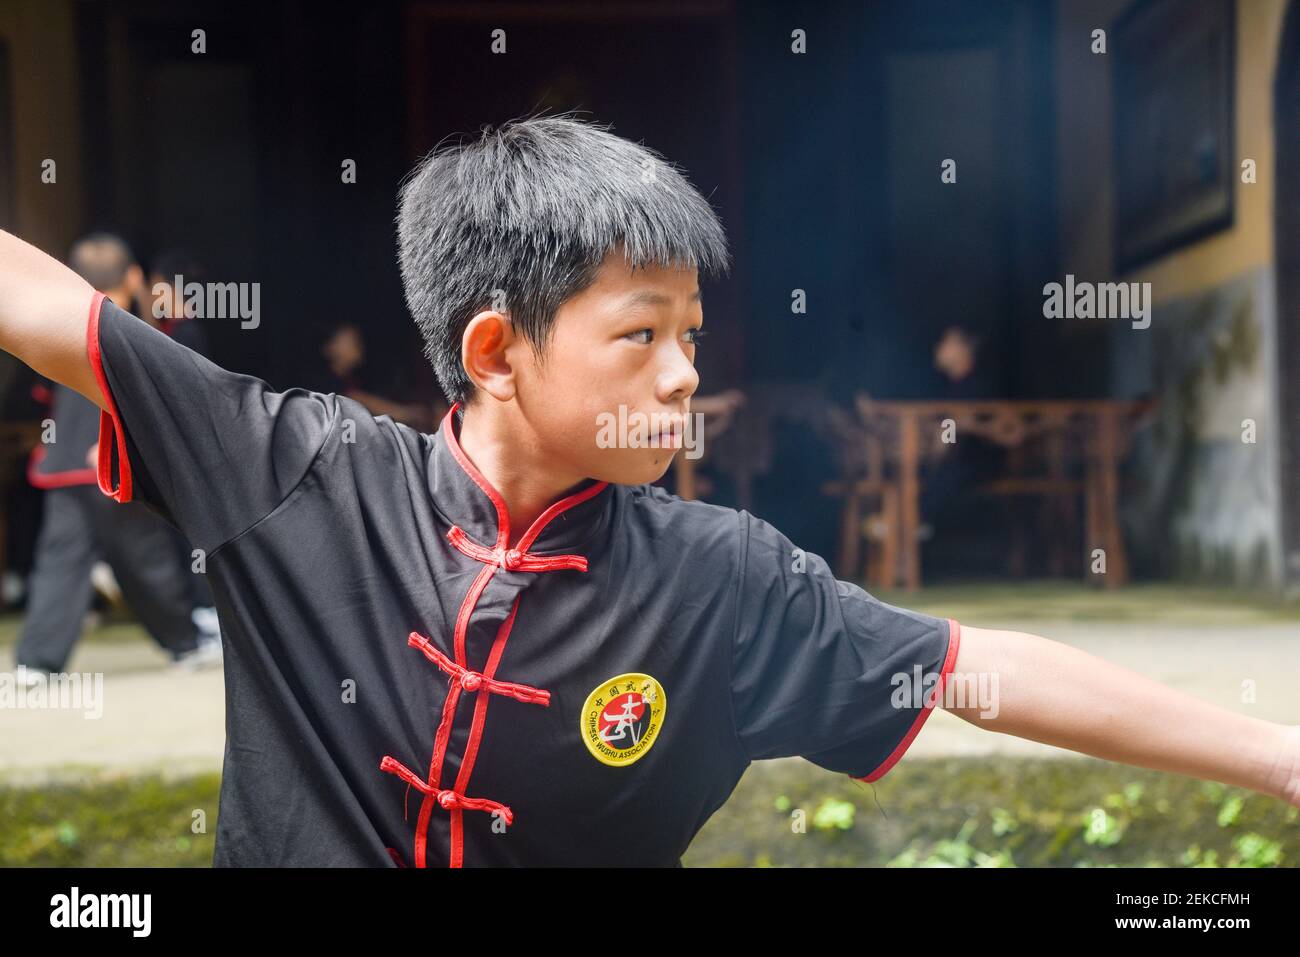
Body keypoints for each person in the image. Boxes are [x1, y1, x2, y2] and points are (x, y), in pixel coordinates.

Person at [0, 116, 1294, 868]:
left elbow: (973, 668)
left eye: (693, 331)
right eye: (641, 334)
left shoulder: (720, 575)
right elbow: (49, 308)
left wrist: (1281, 758)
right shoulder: (300, 469)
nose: (686, 375)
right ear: (497, 350)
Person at [13, 233, 220, 681]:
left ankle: (37, 661)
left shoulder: (55, 326)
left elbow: (41, 392)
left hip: (62, 465)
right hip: (109, 462)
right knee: (146, 560)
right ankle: (185, 642)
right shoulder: (130, 331)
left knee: (60, 561)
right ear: (132, 276)